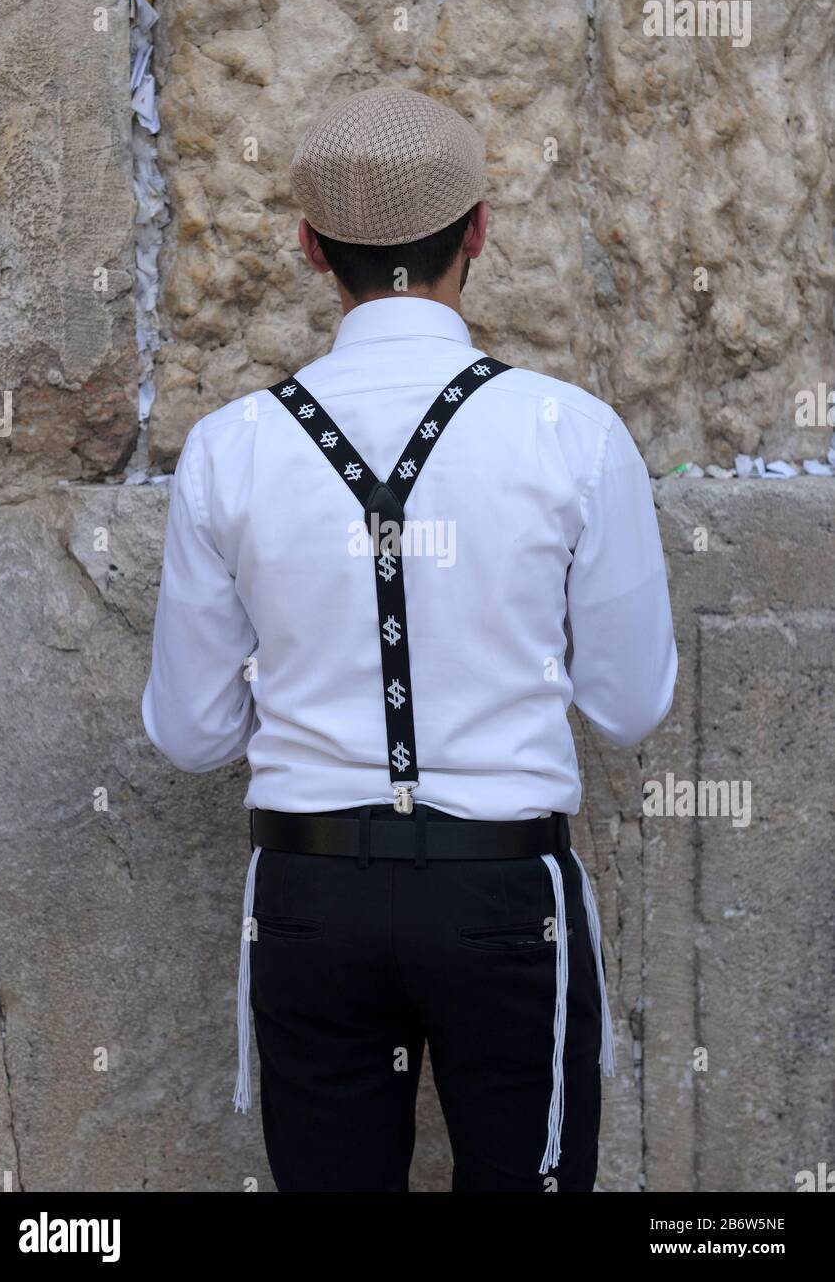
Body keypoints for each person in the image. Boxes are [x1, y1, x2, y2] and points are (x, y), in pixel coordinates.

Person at [142, 85, 677, 1193]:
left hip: (310, 902)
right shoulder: (570, 432)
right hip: (501, 893)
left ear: (306, 247)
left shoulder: (228, 448)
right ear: (477, 231)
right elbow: (627, 707)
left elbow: (192, 735)